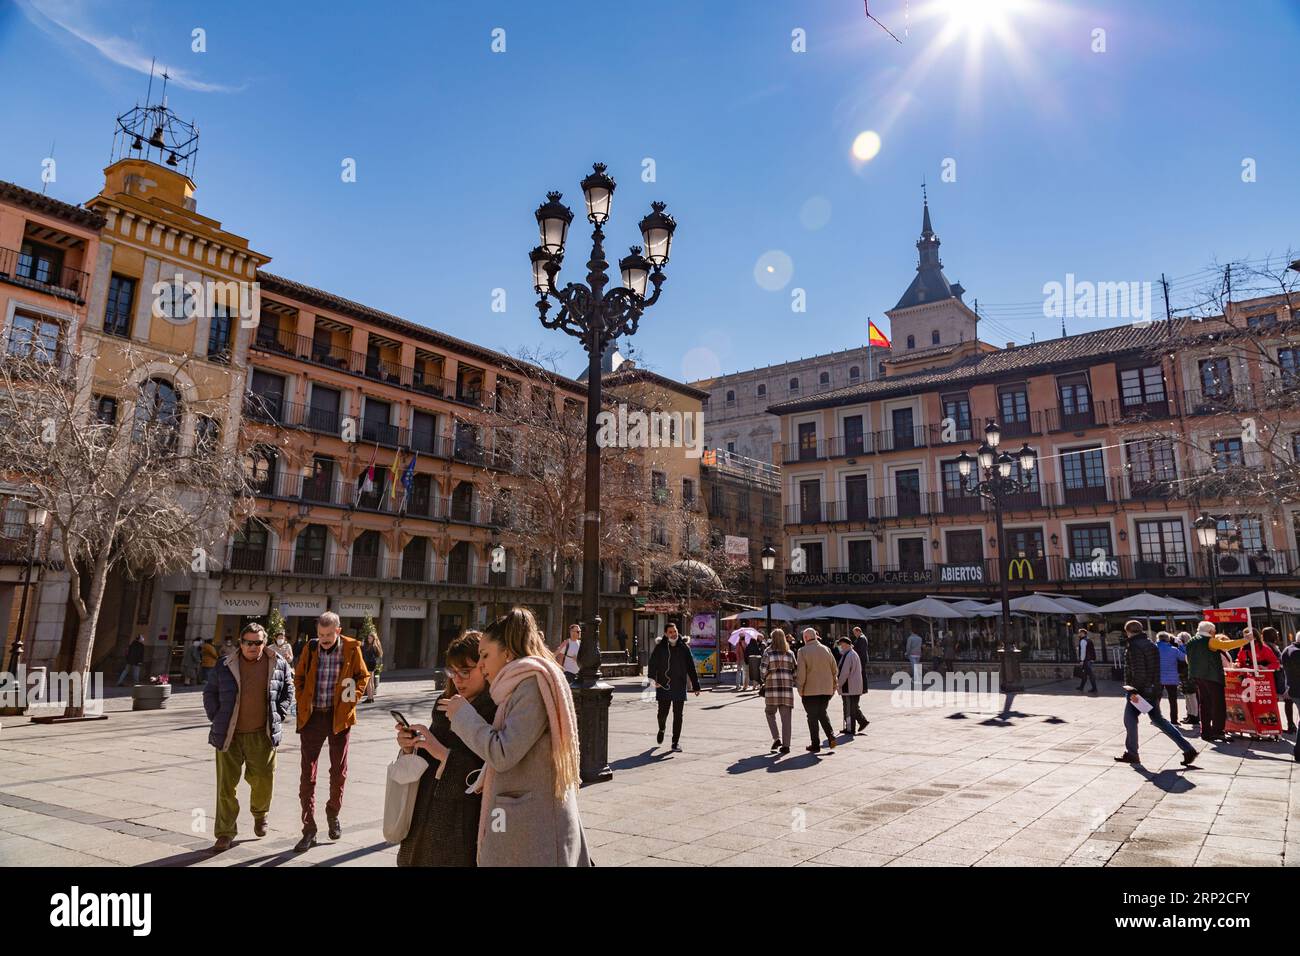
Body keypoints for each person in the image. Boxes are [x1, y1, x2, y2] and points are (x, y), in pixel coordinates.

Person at [439, 607, 591, 866]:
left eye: (485, 655)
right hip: (524, 820)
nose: (482, 664)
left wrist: (463, 716)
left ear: (507, 653)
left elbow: (503, 753)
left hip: (533, 828)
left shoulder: (530, 686)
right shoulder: (519, 685)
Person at [396, 631, 497, 867]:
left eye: (466, 671)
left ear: (484, 668)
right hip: (424, 811)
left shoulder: (493, 709)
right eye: (453, 671)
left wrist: (440, 751)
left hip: (461, 822)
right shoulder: (444, 703)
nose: (458, 679)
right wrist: (411, 747)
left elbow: (484, 771)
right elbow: (428, 758)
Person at [203, 623, 294, 853]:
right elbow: (210, 692)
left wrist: (279, 713)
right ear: (241, 643)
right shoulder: (225, 664)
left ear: (265, 643)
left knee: (263, 779)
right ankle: (225, 832)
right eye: (249, 642)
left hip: (262, 734)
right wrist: (217, 717)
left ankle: (260, 813)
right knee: (226, 787)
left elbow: (288, 691)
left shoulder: (278, 663)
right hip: (229, 735)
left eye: (258, 642)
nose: (253, 647)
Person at [292, 611, 370, 853]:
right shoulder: (311, 648)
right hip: (313, 718)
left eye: (328, 634)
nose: (324, 639)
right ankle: (309, 828)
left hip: (339, 719)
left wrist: (351, 700)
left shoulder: (350, 648)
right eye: (320, 634)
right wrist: (302, 699)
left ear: (338, 631)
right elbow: (299, 677)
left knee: (339, 771)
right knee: (308, 773)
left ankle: (333, 813)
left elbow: (362, 676)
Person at [1114, 620, 1198, 767]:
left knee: (1130, 720)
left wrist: (1133, 690)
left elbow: (1138, 671)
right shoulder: (1151, 644)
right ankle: (1188, 748)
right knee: (1159, 720)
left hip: (1139, 691)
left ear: (1127, 631)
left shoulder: (1134, 646)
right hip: (1153, 689)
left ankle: (1132, 754)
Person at [1184, 620, 1251, 742]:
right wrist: (1245, 640)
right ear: (1210, 631)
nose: (1215, 633)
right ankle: (1217, 731)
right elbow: (1227, 645)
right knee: (1218, 705)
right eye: (1214, 631)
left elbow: (1188, 659)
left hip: (1198, 676)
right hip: (1212, 676)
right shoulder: (1210, 640)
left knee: (1204, 704)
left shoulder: (1191, 641)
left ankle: (1205, 732)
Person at [647, 622, 701, 751]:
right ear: (666, 634)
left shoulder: (684, 647)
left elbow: (691, 667)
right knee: (662, 714)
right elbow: (652, 664)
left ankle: (675, 742)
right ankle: (662, 728)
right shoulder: (660, 647)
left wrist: (696, 685)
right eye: (670, 632)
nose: (673, 634)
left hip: (679, 685)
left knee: (678, 715)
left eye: (675, 631)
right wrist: (653, 679)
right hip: (663, 684)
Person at [795, 627, 838, 754]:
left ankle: (815, 744)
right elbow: (834, 670)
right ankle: (831, 736)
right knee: (822, 713)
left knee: (812, 717)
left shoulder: (802, 651)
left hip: (810, 690)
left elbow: (801, 673)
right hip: (826, 690)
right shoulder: (826, 649)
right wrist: (834, 686)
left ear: (806, 637)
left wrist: (800, 689)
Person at [760, 629, 796, 754]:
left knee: (770, 713)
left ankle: (776, 738)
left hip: (772, 690)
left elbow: (763, 671)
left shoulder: (768, 652)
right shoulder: (790, 653)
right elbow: (795, 672)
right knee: (786, 719)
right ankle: (786, 746)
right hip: (786, 691)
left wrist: (764, 677)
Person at [836, 636, 866, 736]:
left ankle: (850, 728)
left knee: (849, 708)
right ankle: (861, 722)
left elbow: (844, 672)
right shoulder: (851, 654)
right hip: (853, 686)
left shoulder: (848, 655)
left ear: (845, 644)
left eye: (840, 645)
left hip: (849, 686)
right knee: (852, 708)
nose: (840, 647)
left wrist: (838, 684)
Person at [1156, 631, 1187, 722]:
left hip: (1157, 677)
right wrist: (1181, 645)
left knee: (1157, 698)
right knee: (1173, 700)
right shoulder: (1174, 649)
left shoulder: (1154, 648)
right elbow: (1185, 658)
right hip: (1172, 678)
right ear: (1168, 639)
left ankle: (1156, 717)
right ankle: (1174, 719)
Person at [1176, 632, 1200, 727]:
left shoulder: (1189, 647)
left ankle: (1194, 716)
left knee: (1192, 696)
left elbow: (1186, 656)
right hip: (1183, 674)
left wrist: (1180, 646)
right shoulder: (1182, 647)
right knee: (1187, 696)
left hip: (1189, 674)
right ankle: (1190, 715)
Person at [1280, 632, 1300, 736]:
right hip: (1296, 689)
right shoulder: (1297, 652)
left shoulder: (1287, 649)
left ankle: (1291, 725)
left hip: (1290, 686)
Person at [361, 629, 383, 702]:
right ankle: (371, 697)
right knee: (371, 681)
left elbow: (366, 654)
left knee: (368, 681)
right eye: (368, 638)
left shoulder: (372, 646)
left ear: (373, 638)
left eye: (370, 638)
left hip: (369, 663)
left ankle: (369, 698)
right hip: (372, 663)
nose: (368, 639)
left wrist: (363, 644)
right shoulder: (375, 645)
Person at [1076, 628, 1098, 694]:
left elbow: (1083, 651)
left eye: (1080, 633)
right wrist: (1093, 659)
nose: (1079, 634)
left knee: (1090, 675)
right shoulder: (1089, 640)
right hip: (1089, 660)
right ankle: (1081, 687)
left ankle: (1094, 688)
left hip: (1086, 660)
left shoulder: (1083, 641)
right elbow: (1092, 650)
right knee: (1084, 674)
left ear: (1083, 633)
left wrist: (1082, 660)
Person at [904, 623, 923, 687]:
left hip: (912, 654)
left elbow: (908, 647)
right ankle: (914, 678)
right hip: (918, 654)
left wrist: (907, 653)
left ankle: (916, 679)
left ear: (912, 631)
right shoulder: (920, 638)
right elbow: (920, 646)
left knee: (914, 667)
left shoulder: (910, 638)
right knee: (916, 666)